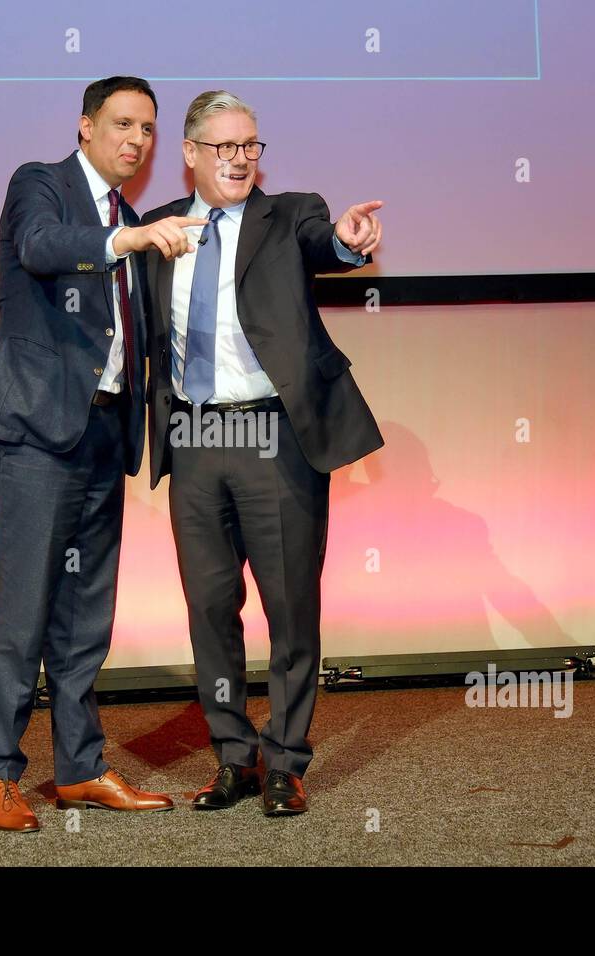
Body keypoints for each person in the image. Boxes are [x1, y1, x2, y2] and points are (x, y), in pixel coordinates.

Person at [0, 76, 206, 831]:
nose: (137, 141)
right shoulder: (42, 186)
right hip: (37, 432)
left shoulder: (132, 217)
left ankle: (79, 768)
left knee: (84, 619)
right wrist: (123, 240)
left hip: (105, 436)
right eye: (123, 124)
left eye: (148, 130)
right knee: (23, 612)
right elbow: (40, 250)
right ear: (86, 126)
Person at [140, 91, 385, 816]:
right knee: (210, 607)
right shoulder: (161, 234)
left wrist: (346, 239)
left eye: (251, 145)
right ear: (189, 155)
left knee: (289, 605)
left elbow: (327, 242)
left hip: (273, 432)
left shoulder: (291, 214)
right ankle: (232, 757)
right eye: (225, 147)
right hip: (194, 436)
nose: (241, 158)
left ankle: (285, 761)